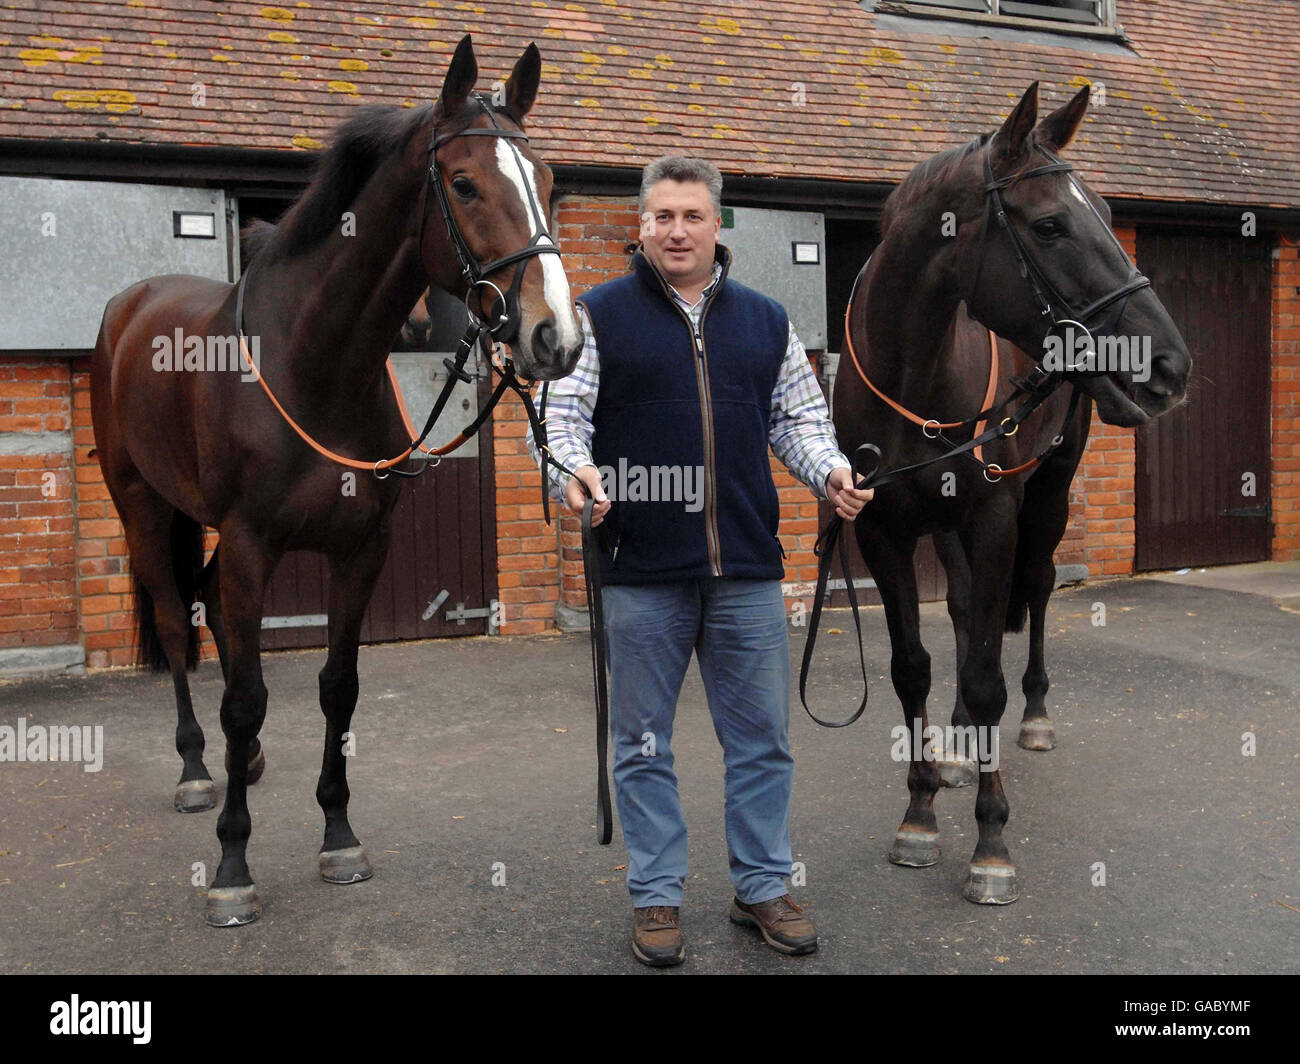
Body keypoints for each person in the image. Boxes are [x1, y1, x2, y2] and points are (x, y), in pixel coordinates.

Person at [531, 156, 872, 967]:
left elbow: (799, 420)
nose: (676, 230)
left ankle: (761, 887)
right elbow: (560, 421)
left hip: (748, 570)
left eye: (691, 215)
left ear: (718, 226)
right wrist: (574, 473)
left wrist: (830, 473)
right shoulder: (597, 316)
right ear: (640, 228)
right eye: (661, 216)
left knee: (761, 741)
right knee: (643, 742)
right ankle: (656, 894)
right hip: (641, 569)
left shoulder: (766, 321)